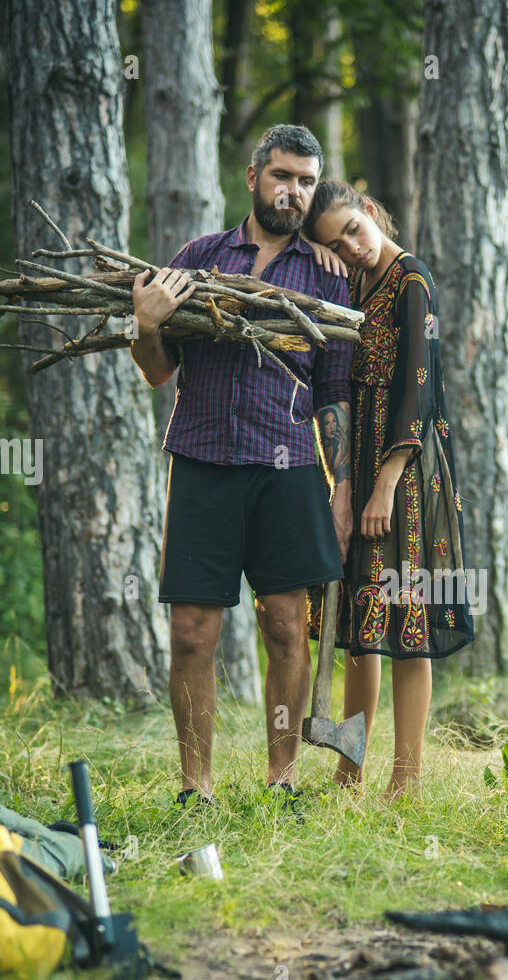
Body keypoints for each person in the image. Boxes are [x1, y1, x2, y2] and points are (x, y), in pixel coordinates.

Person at [129, 125, 351, 820]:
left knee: (286, 626)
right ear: (253, 175)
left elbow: (335, 396)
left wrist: (342, 487)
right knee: (193, 630)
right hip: (202, 462)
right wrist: (146, 324)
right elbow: (157, 371)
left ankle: (280, 778)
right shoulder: (198, 260)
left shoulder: (327, 275)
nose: (295, 191)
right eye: (283, 175)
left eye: (307, 181)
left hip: (288, 471)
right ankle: (196, 786)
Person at [303, 180, 474, 801]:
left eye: (354, 229)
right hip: (363, 464)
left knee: (407, 620)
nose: (352, 247)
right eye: (335, 244)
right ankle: (349, 770)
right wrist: (343, 486)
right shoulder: (352, 285)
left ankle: (407, 779)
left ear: (371, 212)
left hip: (405, 469)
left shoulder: (411, 280)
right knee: (361, 622)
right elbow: (338, 384)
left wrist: (384, 486)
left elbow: (418, 387)